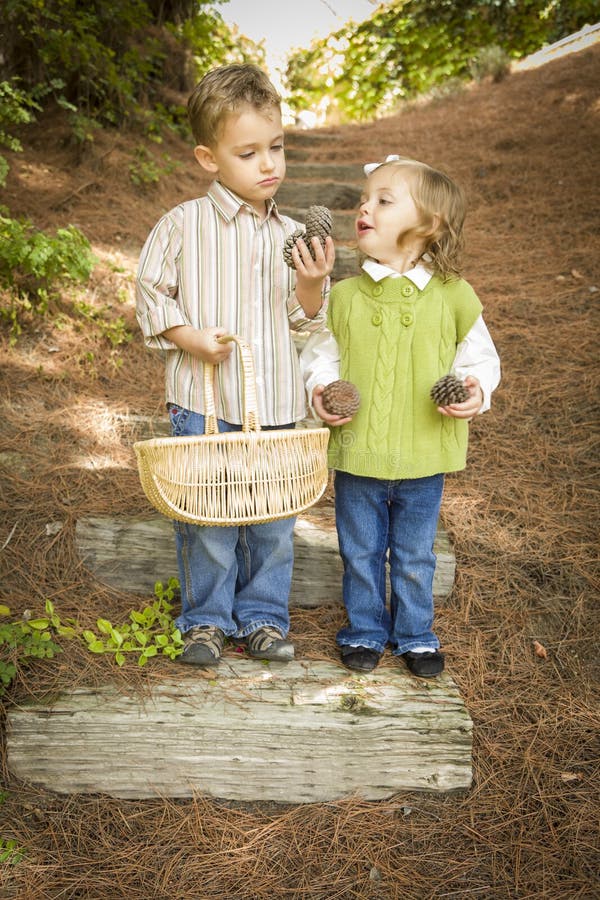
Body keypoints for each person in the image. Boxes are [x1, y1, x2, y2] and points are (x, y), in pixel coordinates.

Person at [135, 64, 337, 667]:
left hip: (274, 398)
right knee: (209, 515)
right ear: (209, 157)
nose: (268, 164)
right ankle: (206, 619)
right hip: (204, 402)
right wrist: (189, 336)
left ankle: (264, 617)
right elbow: (151, 293)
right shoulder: (182, 226)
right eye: (248, 153)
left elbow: (307, 325)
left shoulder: (296, 235)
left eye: (276, 147)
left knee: (274, 518)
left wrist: (311, 285)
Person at [307, 154, 501, 677]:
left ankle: (416, 635)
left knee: (415, 556)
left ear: (429, 225)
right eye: (364, 200)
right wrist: (322, 389)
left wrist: (475, 391)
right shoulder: (343, 296)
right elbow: (321, 356)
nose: (364, 208)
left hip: (422, 457)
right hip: (359, 456)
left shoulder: (454, 295)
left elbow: (481, 358)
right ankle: (365, 629)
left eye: (383, 201)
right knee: (360, 551)